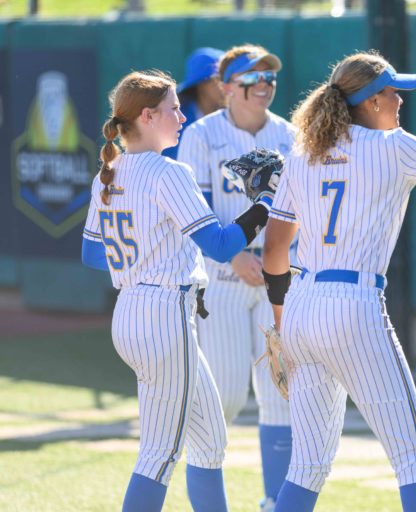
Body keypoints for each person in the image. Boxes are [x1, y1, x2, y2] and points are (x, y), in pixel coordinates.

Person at [261, 49, 416, 512]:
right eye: (393, 92)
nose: (400, 100)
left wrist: (282, 321)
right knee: (412, 458)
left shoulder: (304, 152)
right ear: (370, 102)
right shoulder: (395, 146)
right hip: (353, 303)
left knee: (306, 467)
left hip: (303, 305)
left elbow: (273, 252)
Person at [81, 70, 272, 511]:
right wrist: (265, 205)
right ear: (147, 116)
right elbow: (222, 247)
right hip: (164, 313)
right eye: (173, 109)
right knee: (159, 454)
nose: (182, 117)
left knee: (209, 441)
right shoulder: (170, 172)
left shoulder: (108, 173)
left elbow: (93, 256)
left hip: (131, 310)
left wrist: (145, 250)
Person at [177, 43, 294, 512]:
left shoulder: (289, 135)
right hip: (221, 283)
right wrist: (235, 258)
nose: (265, 86)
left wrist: (271, 259)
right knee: (223, 398)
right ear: (227, 87)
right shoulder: (202, 135)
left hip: (276, 281)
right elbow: (196, 211)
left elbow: (299, 209)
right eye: (254, 78)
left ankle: (276, 502)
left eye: (270, 79)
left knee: (281, 393)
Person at [163, 47, 225, 159]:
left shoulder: (236, 117)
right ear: (202, 84)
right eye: (219, 79)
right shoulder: (176, 120)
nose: (225, 86)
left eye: (228, 79)